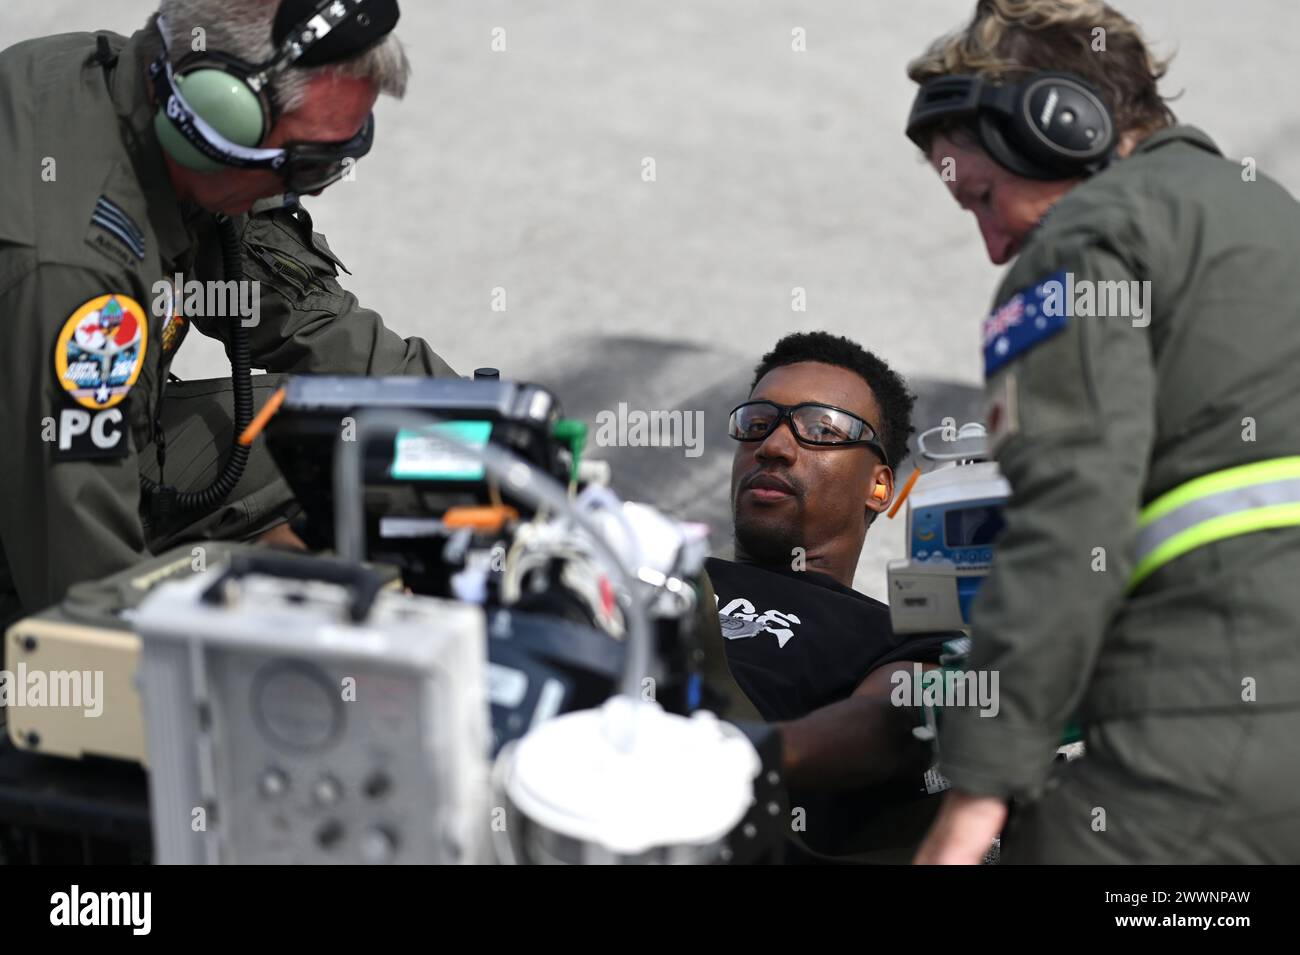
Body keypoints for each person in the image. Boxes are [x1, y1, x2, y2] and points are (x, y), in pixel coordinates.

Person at [904, 0, 1300, 863]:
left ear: (1057, 128)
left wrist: (972, 798)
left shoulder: (1088, 241)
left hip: (1211, 743)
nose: (994, 243)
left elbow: (1072, 513)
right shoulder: (1270, 216)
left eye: (981, 194)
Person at [0, 0, 456, 631]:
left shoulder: (146, 95)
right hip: (29, 514)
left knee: (355, 440)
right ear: (213, 117)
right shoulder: (75, 273)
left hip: (42, 448)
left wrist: (494, 439)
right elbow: (81, 579)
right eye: (308, 164)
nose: (319, 186)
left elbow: (309, 320)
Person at [705, 331, 953, 857]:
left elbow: (890, 725)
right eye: (757, 423)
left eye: (821, 429)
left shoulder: (904, 637)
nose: (772, 446)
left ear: (880, 486)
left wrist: (728, 757)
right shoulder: (663, 576)